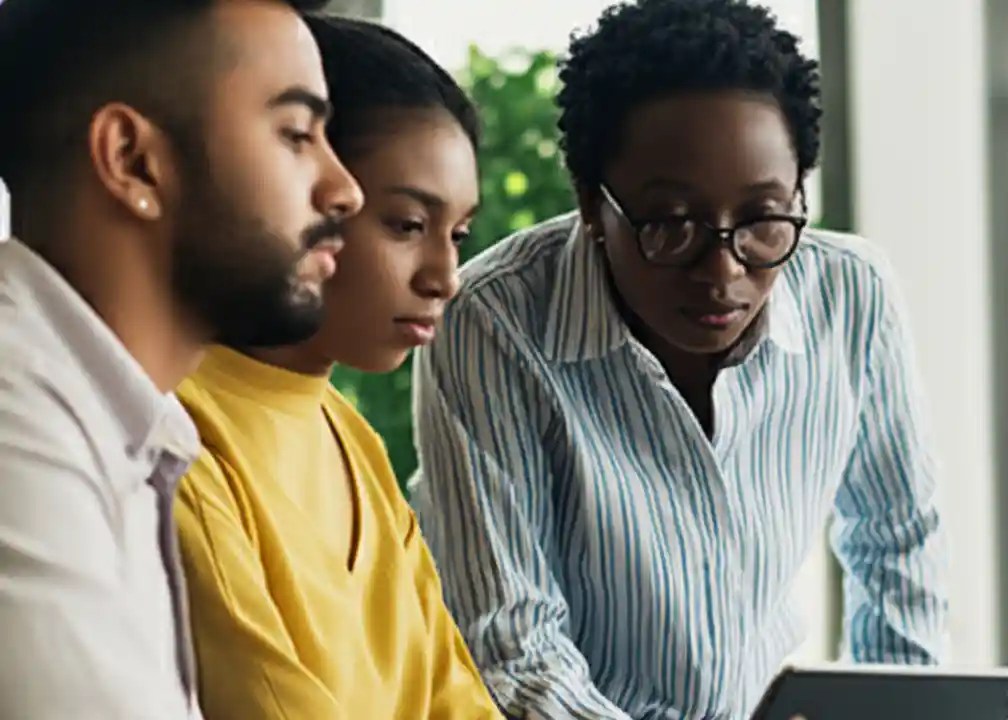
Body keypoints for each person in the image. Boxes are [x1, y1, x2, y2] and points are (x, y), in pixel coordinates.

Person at [412, 0, 949, 717]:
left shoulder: (855, 296)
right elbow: (513, 648)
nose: (722, 274)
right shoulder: (494, 323)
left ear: (799, 193)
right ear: (592, 205)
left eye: (762, 220)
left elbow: (898, 550)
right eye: (670, 226)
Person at [0, 0, 361, 717]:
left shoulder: (127, 424)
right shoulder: (16, 422)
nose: (344, 189)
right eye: (296, 134)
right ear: (134, 161)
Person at [172, 15, 499, 719]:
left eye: (460, 235)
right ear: (299, 192)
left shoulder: (351, 437)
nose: (447, 276)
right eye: (408, 225)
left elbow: (457, 699)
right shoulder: (177, 438)